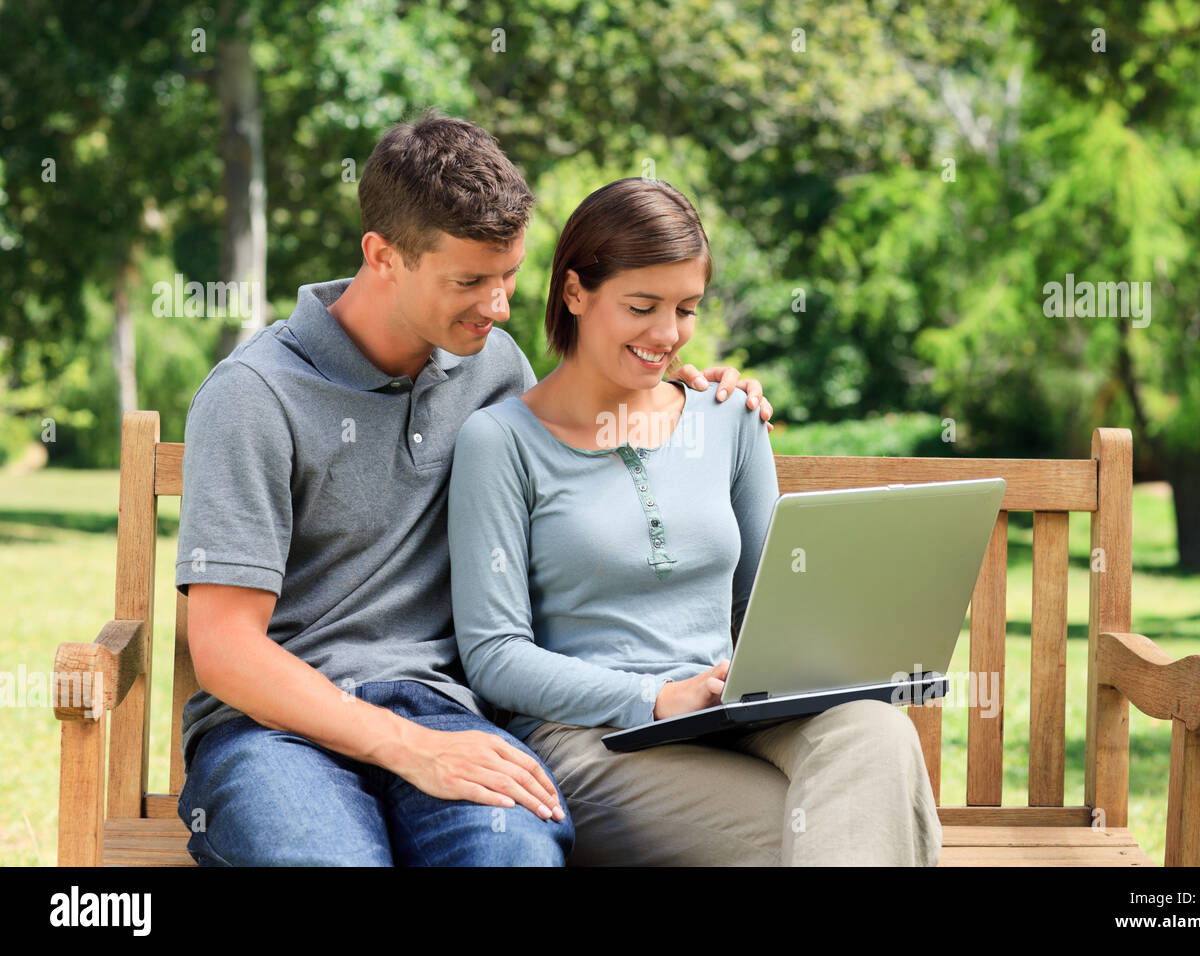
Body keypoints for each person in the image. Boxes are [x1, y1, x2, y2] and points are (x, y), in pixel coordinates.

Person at [173, 110, 772, 866]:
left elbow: (597, 423)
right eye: (469, 281)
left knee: (513, 857)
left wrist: (686, 386)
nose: (498, 305)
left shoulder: (494, 367)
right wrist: (408, 749)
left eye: (510, 275)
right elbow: (226, 651)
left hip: (451, 713)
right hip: (274, 734)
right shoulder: (255, 394)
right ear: (383, 255)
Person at [448, 177, 943, 866]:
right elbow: (495, 655)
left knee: (877, 734)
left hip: (737, 709)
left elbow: (773, 596)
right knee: (825, 833)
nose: (667, 335)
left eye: (686, 309)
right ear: (574, 293)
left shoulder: (729, 417)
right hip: (593, 739)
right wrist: (653, 697)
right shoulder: (499, 442)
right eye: (642, 306)